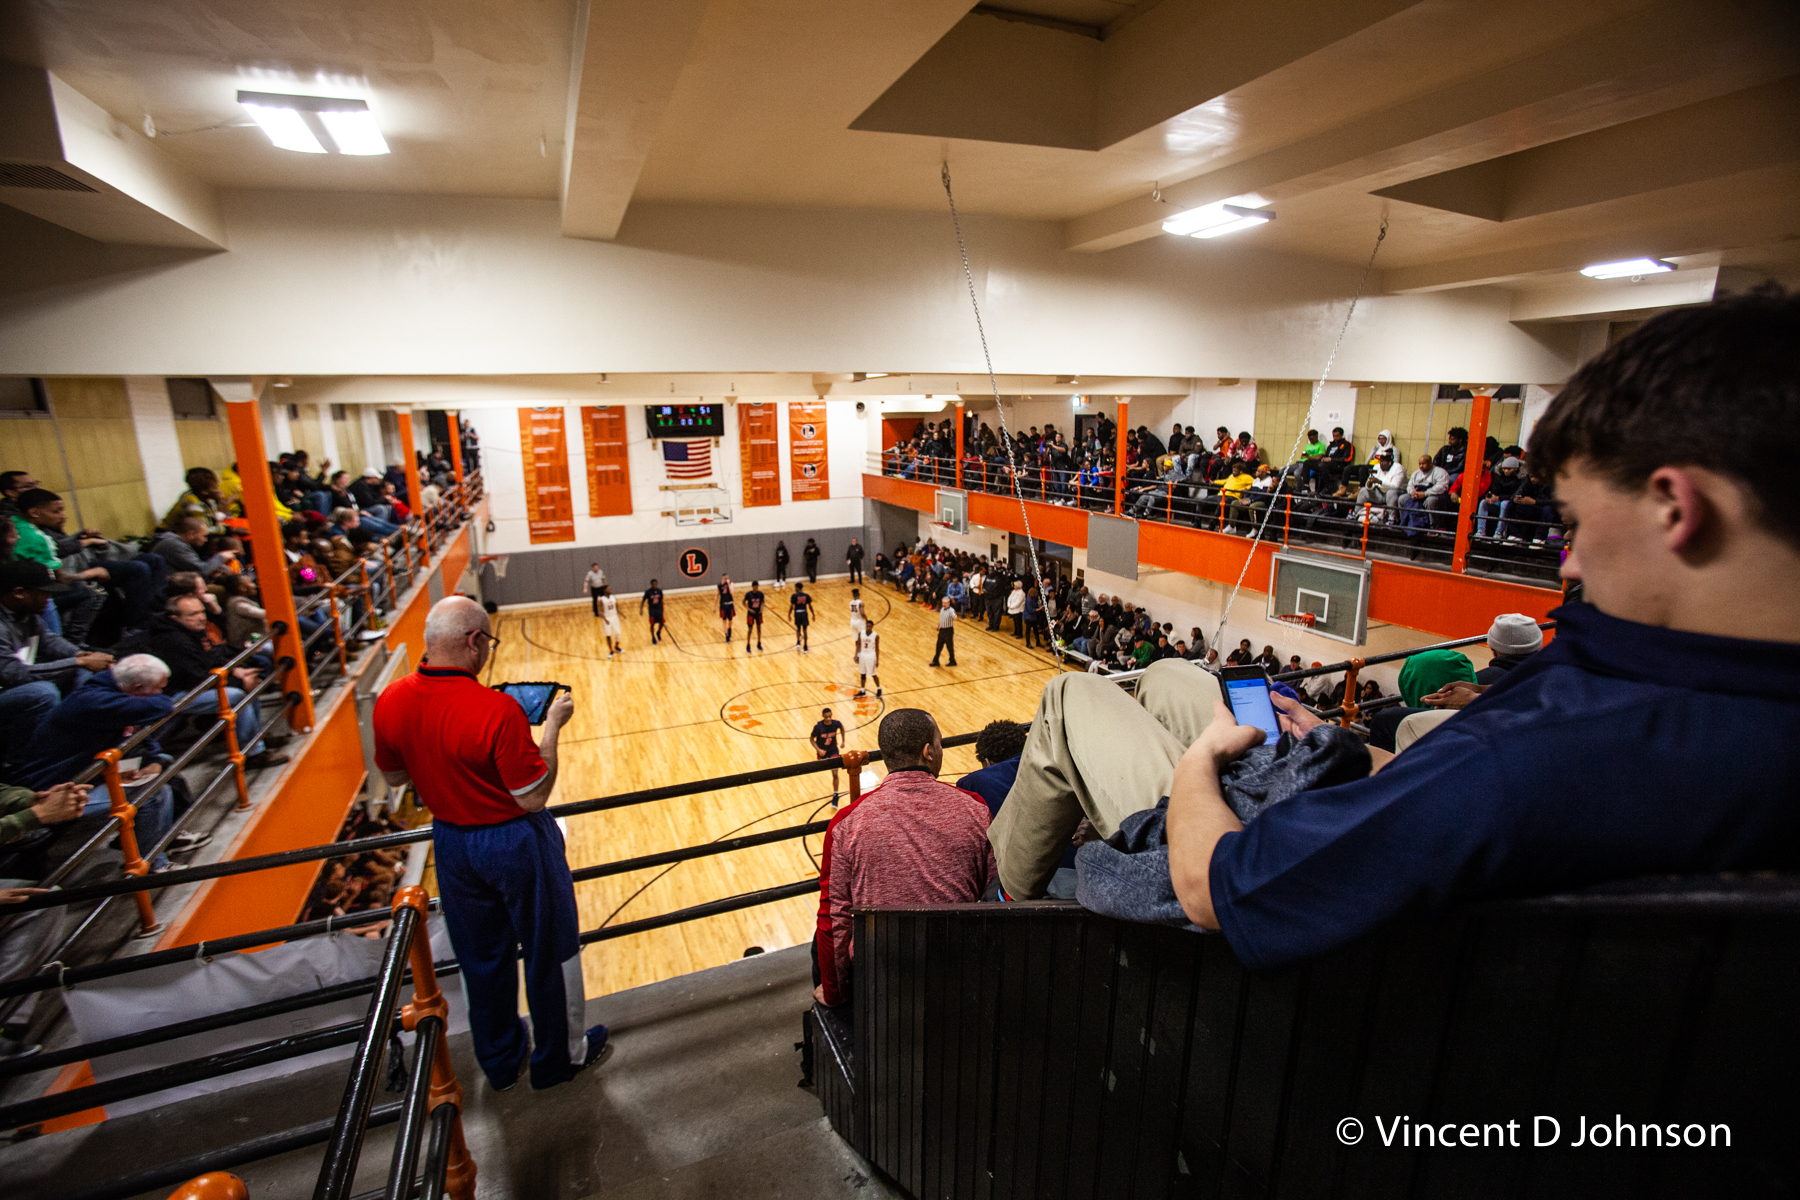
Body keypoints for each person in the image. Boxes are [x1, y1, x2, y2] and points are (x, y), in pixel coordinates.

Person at [996, 288, 1800, 974]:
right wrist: (1349, 747)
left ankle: (1001, 899)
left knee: (1071, 696)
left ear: (1674, 507)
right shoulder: (1723, 727)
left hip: (1221, 878)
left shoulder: (1559, 751)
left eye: (1575, 522)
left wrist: (1206, 761)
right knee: (1177, 678)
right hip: (1372, 841)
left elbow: (1215, 887)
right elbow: (1458, 804)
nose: (1570, 564)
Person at [373, 596, 609, 1091]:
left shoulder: (390, 700)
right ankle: (560, 1058)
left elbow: (394, 775)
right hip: (513, 840)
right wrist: (551, 730)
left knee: (482, 957)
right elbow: (534, 795)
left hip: (452, 843)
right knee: (551, 947)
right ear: (474, 641)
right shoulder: (496, 709)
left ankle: (500, 1061)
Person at [815, 709, 997, 1007]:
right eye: (939, 743)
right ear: (928, 752)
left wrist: (835, 995)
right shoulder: (975, 809)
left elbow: (834, 919)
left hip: (880, 978)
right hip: (958, 971)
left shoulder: (846, 823)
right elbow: (997, 894)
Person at [114, 593, 287, 770]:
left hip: (193, 685)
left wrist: (236, 671)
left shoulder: (192, 630)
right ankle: (252, 754)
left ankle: (256, 739)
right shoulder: (171, 639)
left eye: (201, 612)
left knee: (249, 687)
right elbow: (191, 678)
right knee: (236, 695)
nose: (201, 617)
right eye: (192, 614)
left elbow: (211, 657)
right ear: (175, 618)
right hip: (170, 695)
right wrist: (238, 681)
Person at [0, 561, 113, 767]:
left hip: (16, 686)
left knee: (85, 674)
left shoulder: (28, 615)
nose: (49, 598)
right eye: (44, 592)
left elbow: (50, 641)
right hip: (8, 689)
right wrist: (79, 661)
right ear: (19, 593)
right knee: (42, 692)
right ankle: (20, 765)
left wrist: (83, 655)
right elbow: (11, 674)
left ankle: (77, 742)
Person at [811, 706, 848, 801]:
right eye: (826, 717)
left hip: (833, 751)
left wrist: (843, 741)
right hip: (822, 752)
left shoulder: (836, 723)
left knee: (835, 773)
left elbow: (842, 728)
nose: (828, 719)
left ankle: (835, 794)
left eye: (829, 717)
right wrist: (818, 750)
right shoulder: (818, 727)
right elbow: (811, 739)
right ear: (823, 716)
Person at [929, 596, 958, 668]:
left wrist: (955, 617)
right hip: (942, 630)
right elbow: (942, 619)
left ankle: (952, 660)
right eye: (943, 603)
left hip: (948, 630)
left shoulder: (951, 610)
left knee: (949, 647)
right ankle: (936, 661)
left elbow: (955, 616)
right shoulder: (942, 609)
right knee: (938, 646)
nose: (944, 604)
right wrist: (939, 625)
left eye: (945, 603)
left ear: (948, 603)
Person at [855, 621, 881, 699]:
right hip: (863, 655)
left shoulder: (875, 636)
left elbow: (877, 649)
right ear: (865, 626)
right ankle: (862, 691)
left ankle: (879, 689)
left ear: (872, 627)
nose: (868, 628)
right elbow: (858, 645)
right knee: (862, 673)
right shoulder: (861, 633)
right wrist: (856, 655)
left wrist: (877, 660)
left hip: (871, 656)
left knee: (873, 674)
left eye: (870, 626)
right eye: (867, 626)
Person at [596, 584, 622, 657]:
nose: (610, 590)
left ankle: (616, 647)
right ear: (604, 591)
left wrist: (622, 614)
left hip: (614, 616)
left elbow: (617, 607)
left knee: (618, 632)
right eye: (608, 589)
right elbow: (600, 611)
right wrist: (605, 619)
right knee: (608, 635)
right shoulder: (601, 600)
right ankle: (611, 650)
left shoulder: (613, 597)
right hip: (607, 617)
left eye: (610, 588)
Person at [741, 580, 766, 651]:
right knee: (750, 630)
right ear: (752, 587)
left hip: (758, 613)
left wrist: (761, 608)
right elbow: (743, 602)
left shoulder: (760, 594)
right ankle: (748, 645)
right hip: (751, 614)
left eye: (757, 587)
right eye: (754, 587)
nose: (756, 588)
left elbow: (763, 601)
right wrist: (749, 609)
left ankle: (759, 644)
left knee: (759, 629)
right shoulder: (748, 594)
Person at [789, 582, 814, 652]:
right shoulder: (806, 595)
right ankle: (805, 646)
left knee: (798, 628)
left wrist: (789, 614)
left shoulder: (794, 596)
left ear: (797, 588)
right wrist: (813, 614)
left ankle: (798, 642)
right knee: (805, 630)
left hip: (797, 613)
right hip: (804, 612)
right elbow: (810, 606)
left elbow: (792, 606)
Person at [717, 574, 736, 645]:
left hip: (730, 604)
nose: (723, 580)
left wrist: (729, 584)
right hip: (723, 605)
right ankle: (727, 636)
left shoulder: (731, 584)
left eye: (725, 579)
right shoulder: (719, 586)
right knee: (724, 621)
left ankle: (729, 630)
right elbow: (717, 595)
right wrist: (714, 606)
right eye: (723, 579)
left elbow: (732, 593)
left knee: (730, 620)